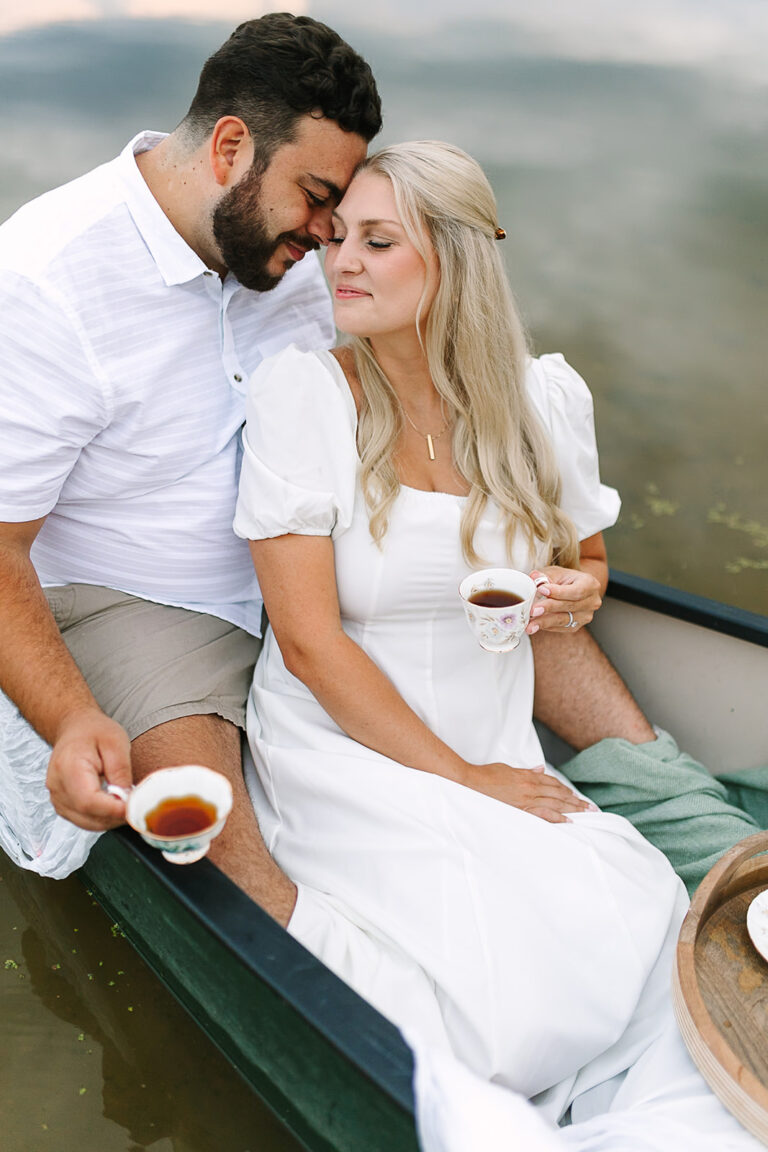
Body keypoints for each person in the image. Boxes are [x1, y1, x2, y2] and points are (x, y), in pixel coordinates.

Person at [233, 140, 760, 1146]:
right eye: (336, 237)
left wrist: (573, 592)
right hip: (343, 741)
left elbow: (588, 560)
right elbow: (306, 643)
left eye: (378, 241)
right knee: (486, 982)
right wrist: (465, 780)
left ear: (455, 260)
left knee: (630, 919)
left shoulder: (541, 399)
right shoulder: (305, 398)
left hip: (491, 729)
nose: (340, 261)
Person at [0, 13, 381, 917]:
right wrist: (69, 719)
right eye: (315, 196)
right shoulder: (45, 283)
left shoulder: (277, 254)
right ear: (230, 145)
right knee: (243, 877)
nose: (331, 235)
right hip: (139, 605)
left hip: (306, 563)